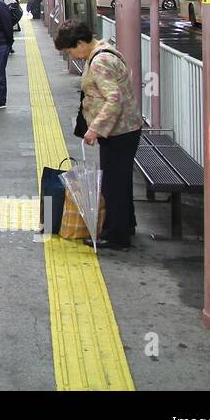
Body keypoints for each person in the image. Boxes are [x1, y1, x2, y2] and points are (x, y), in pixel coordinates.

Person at [54, 20, 143, 249]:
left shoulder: (100, 60)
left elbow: (114, 98)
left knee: (113, 184)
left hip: (118, 131)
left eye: (71, 49)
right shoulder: (103, 51)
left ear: (81, 43)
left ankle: (116, 235)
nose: (72, 55)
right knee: (119, 182)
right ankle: (125, 225)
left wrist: (95, 128)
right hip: (124, 128)